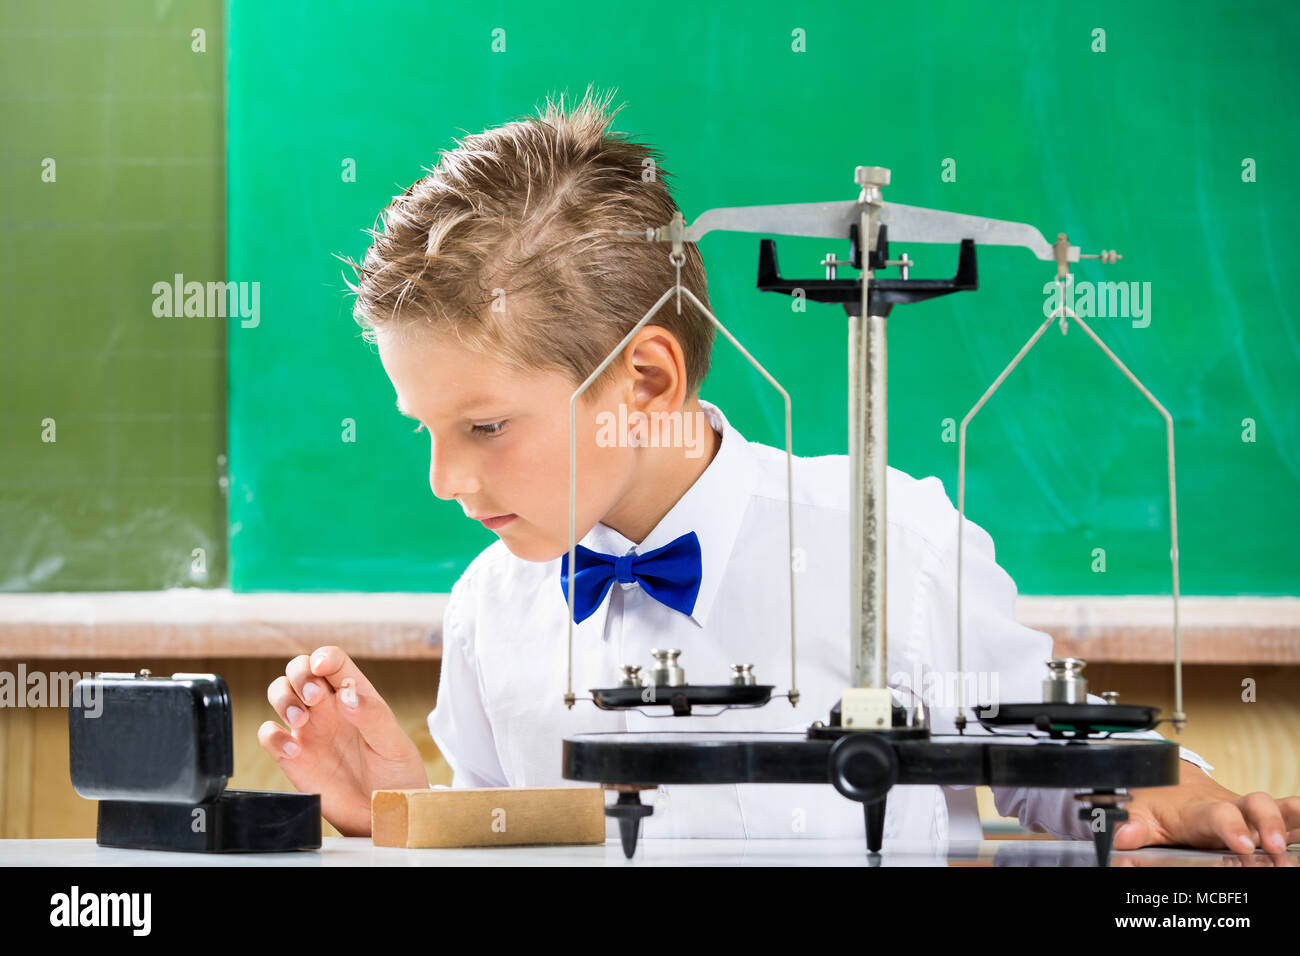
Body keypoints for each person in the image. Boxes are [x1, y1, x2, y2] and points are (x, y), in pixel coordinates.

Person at [260, 86, 1299, 857]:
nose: (444, 477)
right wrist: (400, 803)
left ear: (649, 380)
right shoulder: (492, 604)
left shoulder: (887, 537)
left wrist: (1181, 790)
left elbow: (1042, 752)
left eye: (484, 424)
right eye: (423, 430)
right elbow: (510, 833)